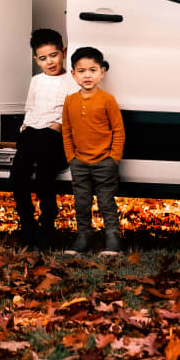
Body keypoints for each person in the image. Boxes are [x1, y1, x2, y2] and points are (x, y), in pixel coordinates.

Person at [11, 28, 72, 249]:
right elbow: (30, 105)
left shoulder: (70, 80)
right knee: (19, 173)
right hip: (32, 129)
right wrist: (25, 125)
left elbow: (71, 108)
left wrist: (59, 125)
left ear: (63, 52)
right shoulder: (36, 80)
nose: (50, 62)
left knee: (45, 175)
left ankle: (48, 225)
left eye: (54, 55)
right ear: (37, 60)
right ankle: (27, 224)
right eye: (44, 58)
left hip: (53, 132)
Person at [62, 46, 125, 256]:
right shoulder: (70, 101)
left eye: (93, 70)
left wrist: (113, 158)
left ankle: (112, 239)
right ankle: (82, 237)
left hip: (104, 162)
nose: (87, 75)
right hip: (79, 163)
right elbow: (66, 131)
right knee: (81, 202)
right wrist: (71, 157)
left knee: (106, 202)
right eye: (81, 71)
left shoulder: (108, 100)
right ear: (73, 74)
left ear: (102, 72)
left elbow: (118, 130)